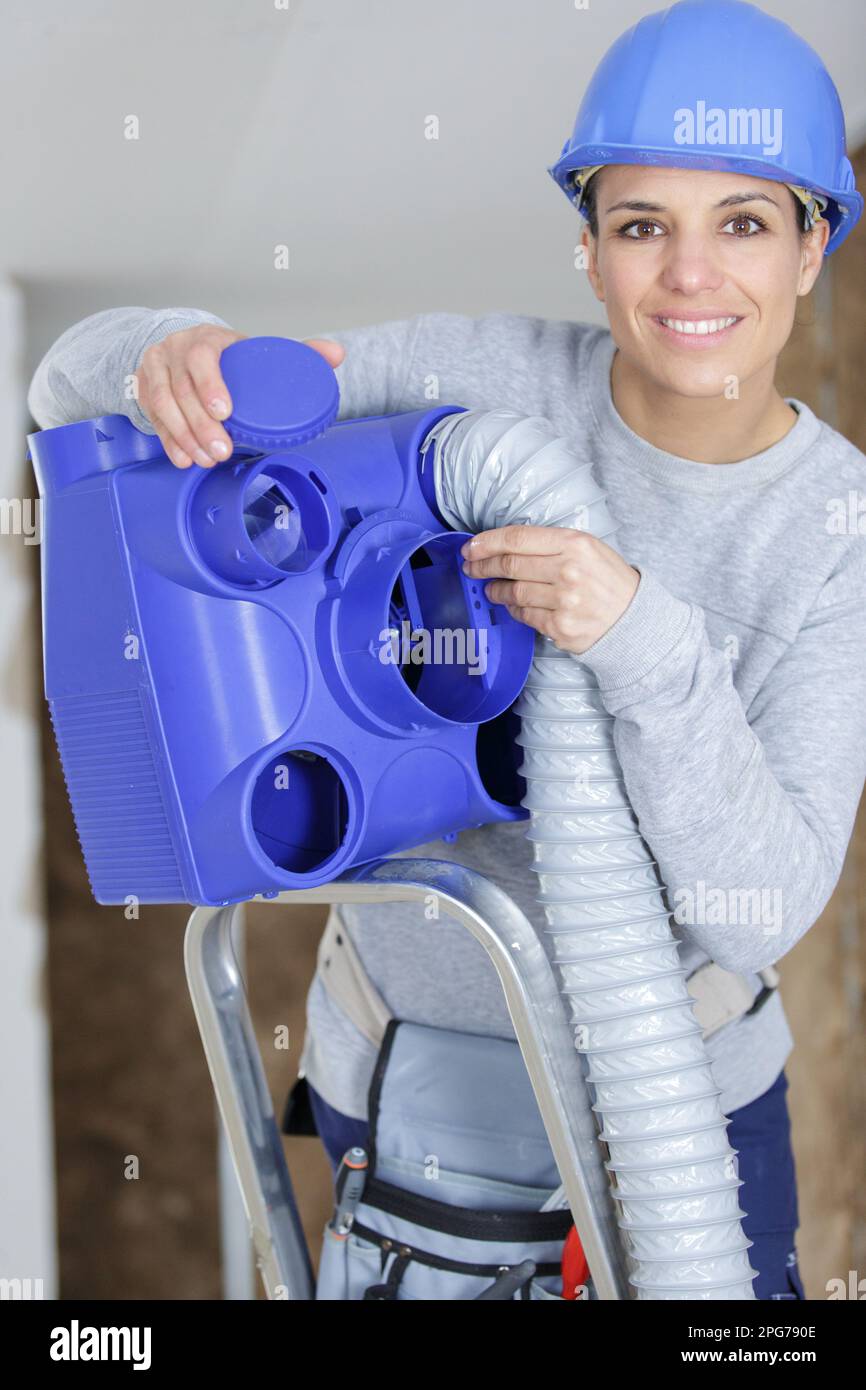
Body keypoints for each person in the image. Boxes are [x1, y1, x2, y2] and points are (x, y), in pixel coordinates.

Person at [27, 0, 865, 1300]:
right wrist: (161, 355)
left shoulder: (834, 530)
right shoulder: (474, 383)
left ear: (812, 249)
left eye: (743, 224)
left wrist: (639, 637)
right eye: (642, 225)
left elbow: (753, 911)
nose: (691, 277)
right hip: (406, 1086)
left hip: (684, 1118)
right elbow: (65, 388)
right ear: (588, 249)